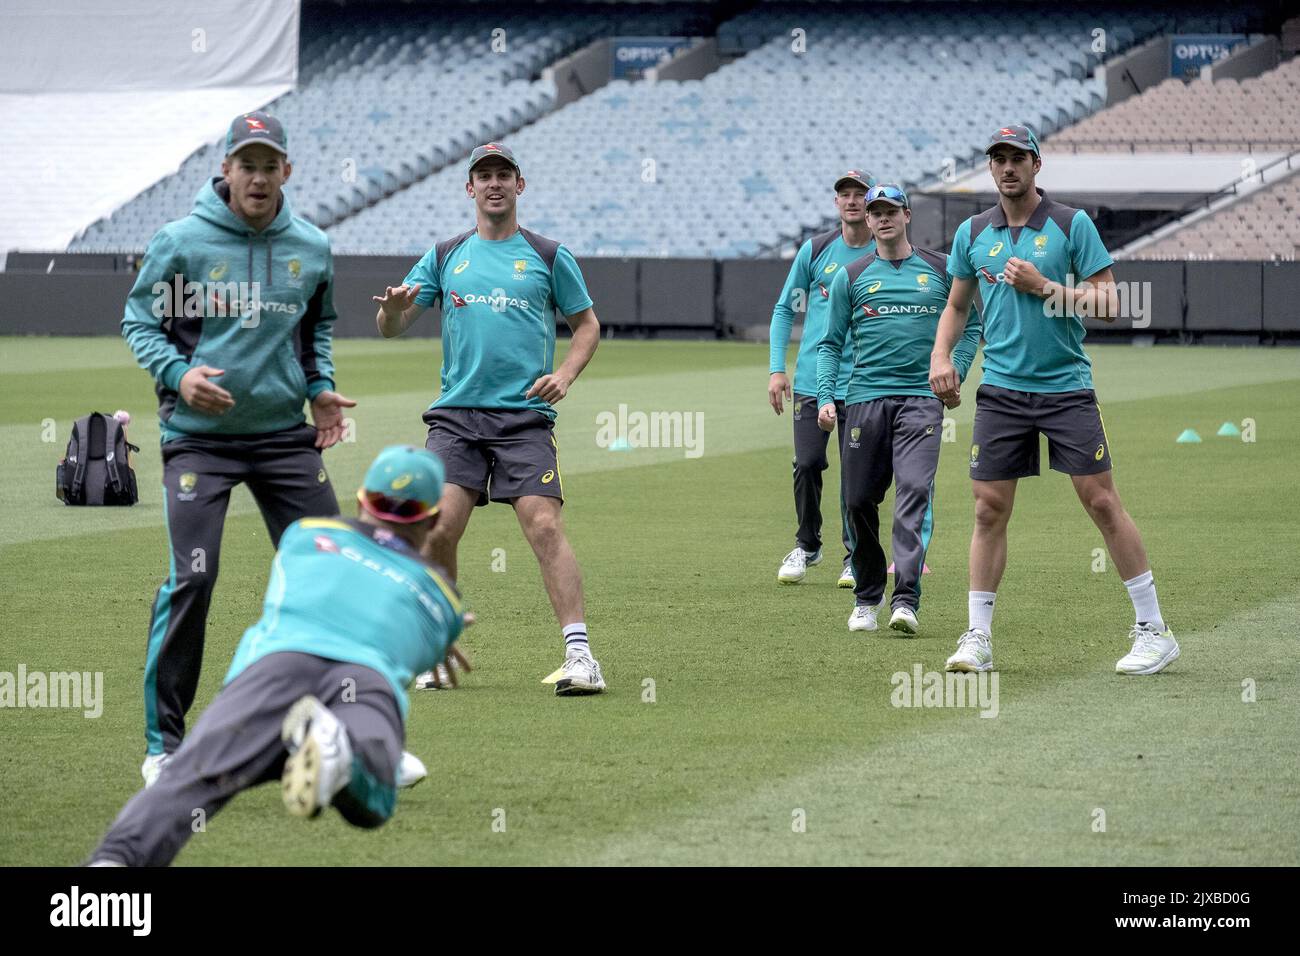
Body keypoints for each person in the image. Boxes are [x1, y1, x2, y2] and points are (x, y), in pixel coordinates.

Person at [87, 446, 469, 867]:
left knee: (189, 780)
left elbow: (351, 573)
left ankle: (115, 862)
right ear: (434, 521)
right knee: (373, 796)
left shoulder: (303, 534)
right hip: (363, 681)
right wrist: (438, 622)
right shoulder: (441, 598)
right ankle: (343, 752)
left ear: (362, 501)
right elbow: (416, 616)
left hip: (276, 667)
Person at [121, 111, 357, 786]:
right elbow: (140, 320)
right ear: (225, 170)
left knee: (330, 579)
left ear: (288, 171)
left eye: (268, 164)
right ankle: (165, 746)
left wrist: (322, 390)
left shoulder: (310, 246)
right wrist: (178, 376)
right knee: (193, 577)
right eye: (245, 164)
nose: (257, 177)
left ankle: (350, 733)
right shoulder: (182, 243)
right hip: (201, 445)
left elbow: (318, 331)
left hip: (285, 439)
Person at [929, 124, 1179, 675]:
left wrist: (1046, 287)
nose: (1007, 167)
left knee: (1102, 503)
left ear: (1036, 164)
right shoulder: (973, 233)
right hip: (1000, 392)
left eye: (1017, 157)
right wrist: (941, 356)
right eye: (998, 159)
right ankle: (978, 636)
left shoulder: (1072, 224)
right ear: (990, 169)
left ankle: (1153, 630)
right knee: (987, 508)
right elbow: (957, 306)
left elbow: (1113, 303)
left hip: (1066, 389)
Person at [373, 143, 605, 695]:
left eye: (504, 175)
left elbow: (588, 325)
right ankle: (436, 648)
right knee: (437, 530)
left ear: (519, 186)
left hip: (524, 418)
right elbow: (392, 325)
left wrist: (566, 376)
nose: (494, 184)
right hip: (456, 419)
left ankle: (581, 657)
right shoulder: (447, 253)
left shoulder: (549, 255)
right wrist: (391, 308)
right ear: (469, 188)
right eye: (484, 176)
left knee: (544, 526)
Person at [819, 183, 980, 634]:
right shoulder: (849, 276)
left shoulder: (943, 268)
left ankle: (905, 599)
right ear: (866, 221)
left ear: (907, 215)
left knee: (913, 492)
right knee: (856, 501)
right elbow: (829, 344)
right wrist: (827, 395)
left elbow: (970, 329)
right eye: (875, 212)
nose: (883, 218)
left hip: (920, 402)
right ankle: (867, 597)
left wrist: (953, 370)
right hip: (864, 400)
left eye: (891, 210)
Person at [769, 168, 877, 586]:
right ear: (836, 203)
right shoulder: (816, 251)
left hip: (863, 382)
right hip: (814, 380)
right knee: (808, 463)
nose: (852, 200)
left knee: (856, 473)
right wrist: (778, 369)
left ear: (871, 204)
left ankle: (854, 556)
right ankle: (808, 545)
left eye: (859, 194)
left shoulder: (883, 252)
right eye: (844, 194)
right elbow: (784, 309)